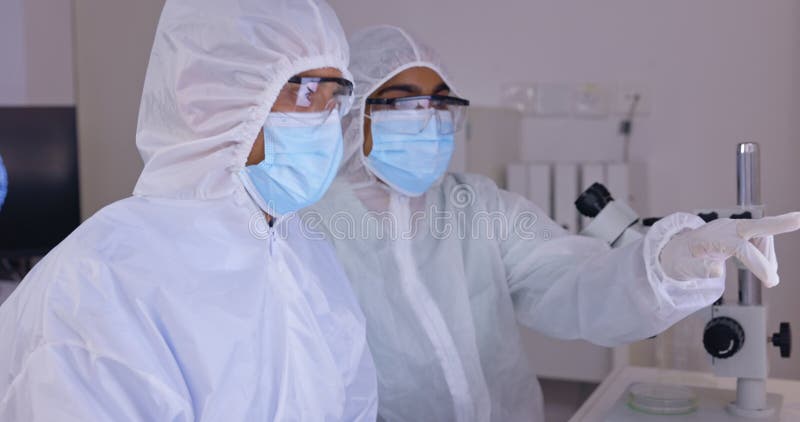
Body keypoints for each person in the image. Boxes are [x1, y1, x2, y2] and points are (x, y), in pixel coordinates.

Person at [305, 25, 800, 421]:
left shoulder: (477, 206)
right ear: (353, 114)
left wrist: (674, 262)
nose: (430, 118)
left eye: (441, 102)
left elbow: (575, 284)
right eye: (407, 101)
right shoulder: (308, 230)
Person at [0, 0, 377, 420]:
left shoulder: (304, 255)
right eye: (305, 91)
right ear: (206, 94)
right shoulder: (101, 281)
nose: (325, 120)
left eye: (334, 96)